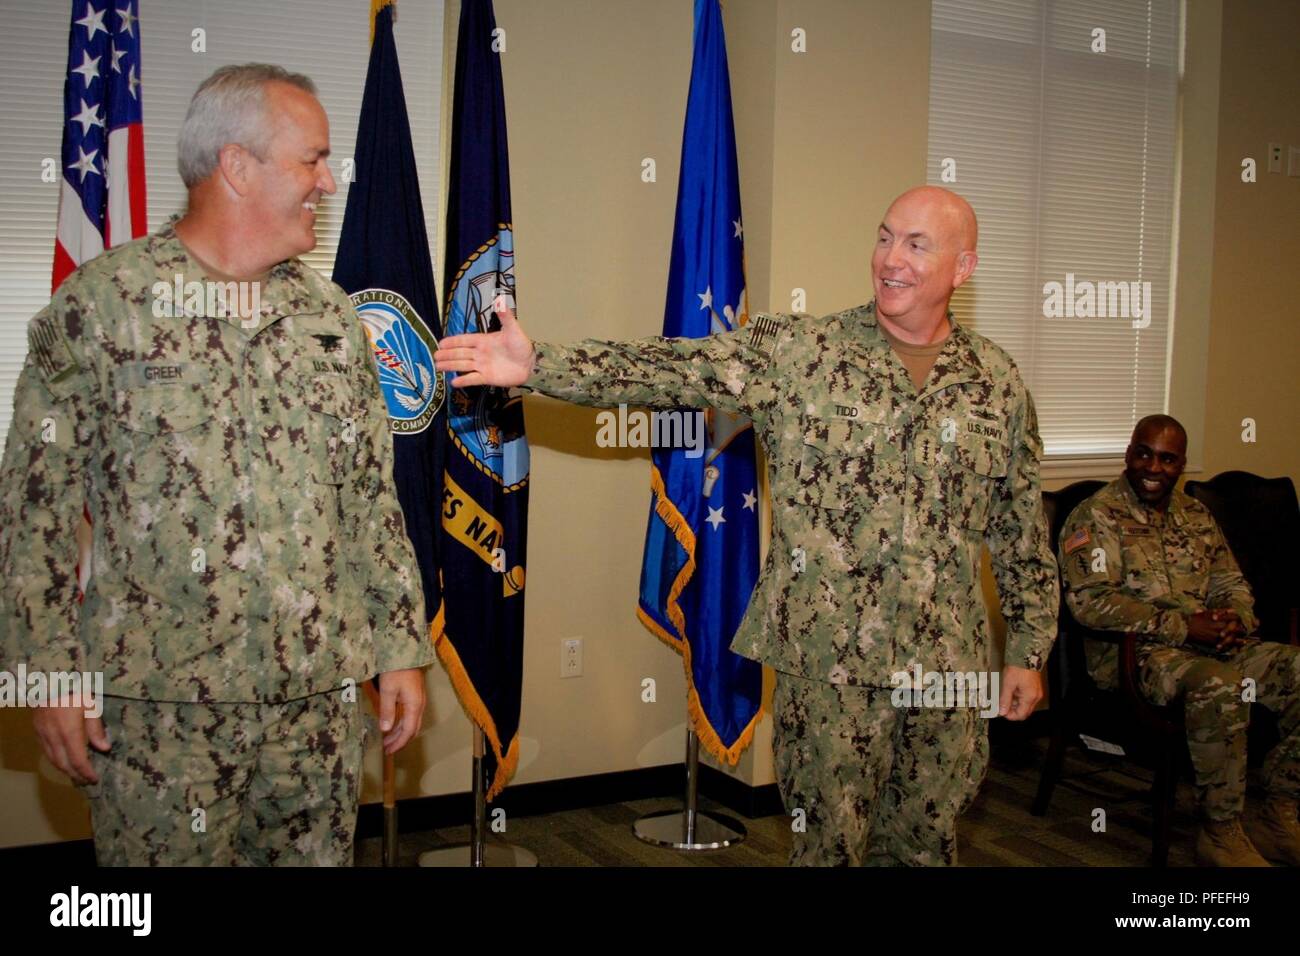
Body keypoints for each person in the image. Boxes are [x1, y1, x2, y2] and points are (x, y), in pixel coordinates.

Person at [435, 185, 1059, 865]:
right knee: (828, 851)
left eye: (916, 244)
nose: (890, 259)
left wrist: (1028, 649)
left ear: (961, 268)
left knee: (926, 848)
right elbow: (672, 367)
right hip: (830, 667)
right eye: (884, 237)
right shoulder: (803, 354)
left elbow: (1020, 525)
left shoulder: (995, 382)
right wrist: (540, 365)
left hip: (946, 666)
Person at [0, 64, 433, 865]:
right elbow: (37, 516)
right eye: (311, 159)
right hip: (161, 718)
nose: (327, 180)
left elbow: (372, 503)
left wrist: (399, 647)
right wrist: (44, 677)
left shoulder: (331, 321)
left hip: (314, 708)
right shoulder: (103, 308)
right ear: (237, 166)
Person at [1059, 415, 1300, 867]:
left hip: (1213, 644)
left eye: (1167, 459)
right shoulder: (1096, 515)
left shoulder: (1196, 514)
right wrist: (1183, 628)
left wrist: (1236, 619)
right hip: (1135, 658)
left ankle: (1280, 811)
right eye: (1144, 453)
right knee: (1219, 685)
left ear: (1181, 464)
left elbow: (1232, 582)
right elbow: (1090, 603)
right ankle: (1220, 832)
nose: (1153, 466)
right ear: (1129, 454)